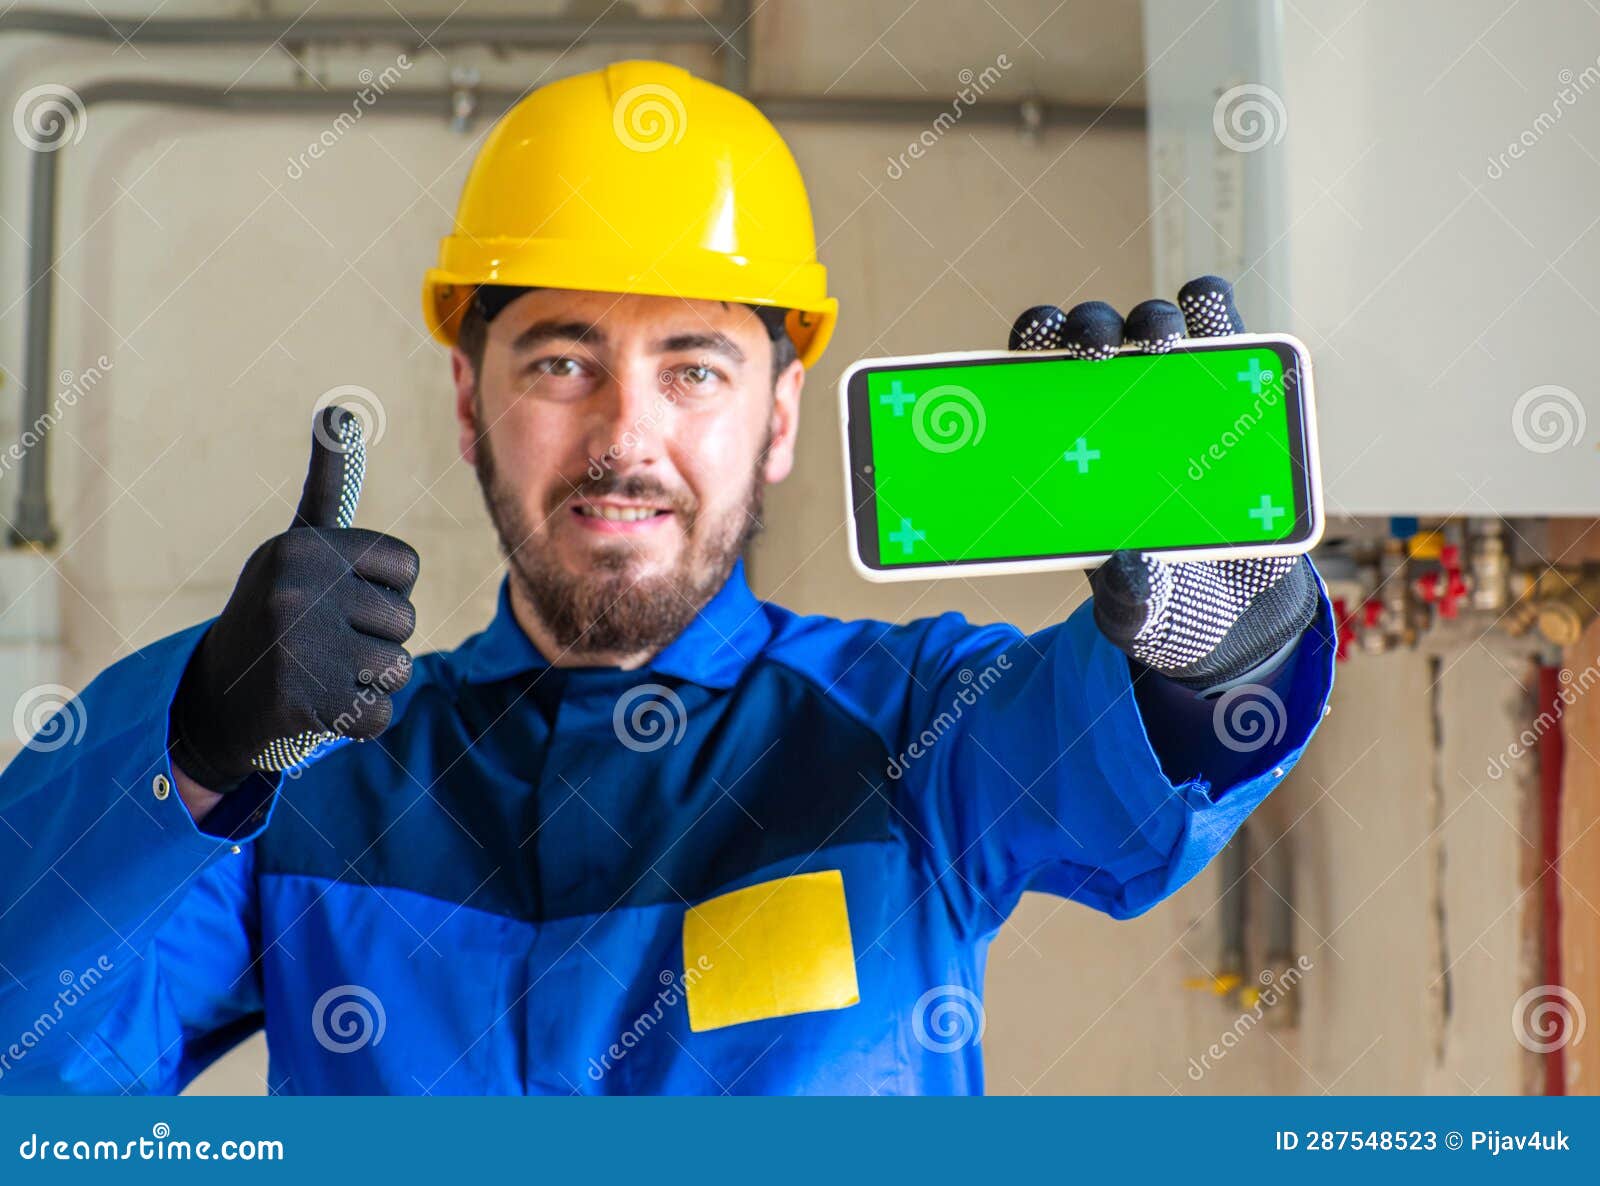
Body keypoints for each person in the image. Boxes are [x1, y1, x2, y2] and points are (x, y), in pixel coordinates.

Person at [0, 60, 1334, 1095]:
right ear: (468, 400)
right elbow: (32, 1058)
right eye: (560, 359)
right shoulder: (307, 786)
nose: (626, 435)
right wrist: (186, 750)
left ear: (783, 410)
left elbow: (1116, 780)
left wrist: (1220, 648)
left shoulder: (912, 729)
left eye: (694, 366)